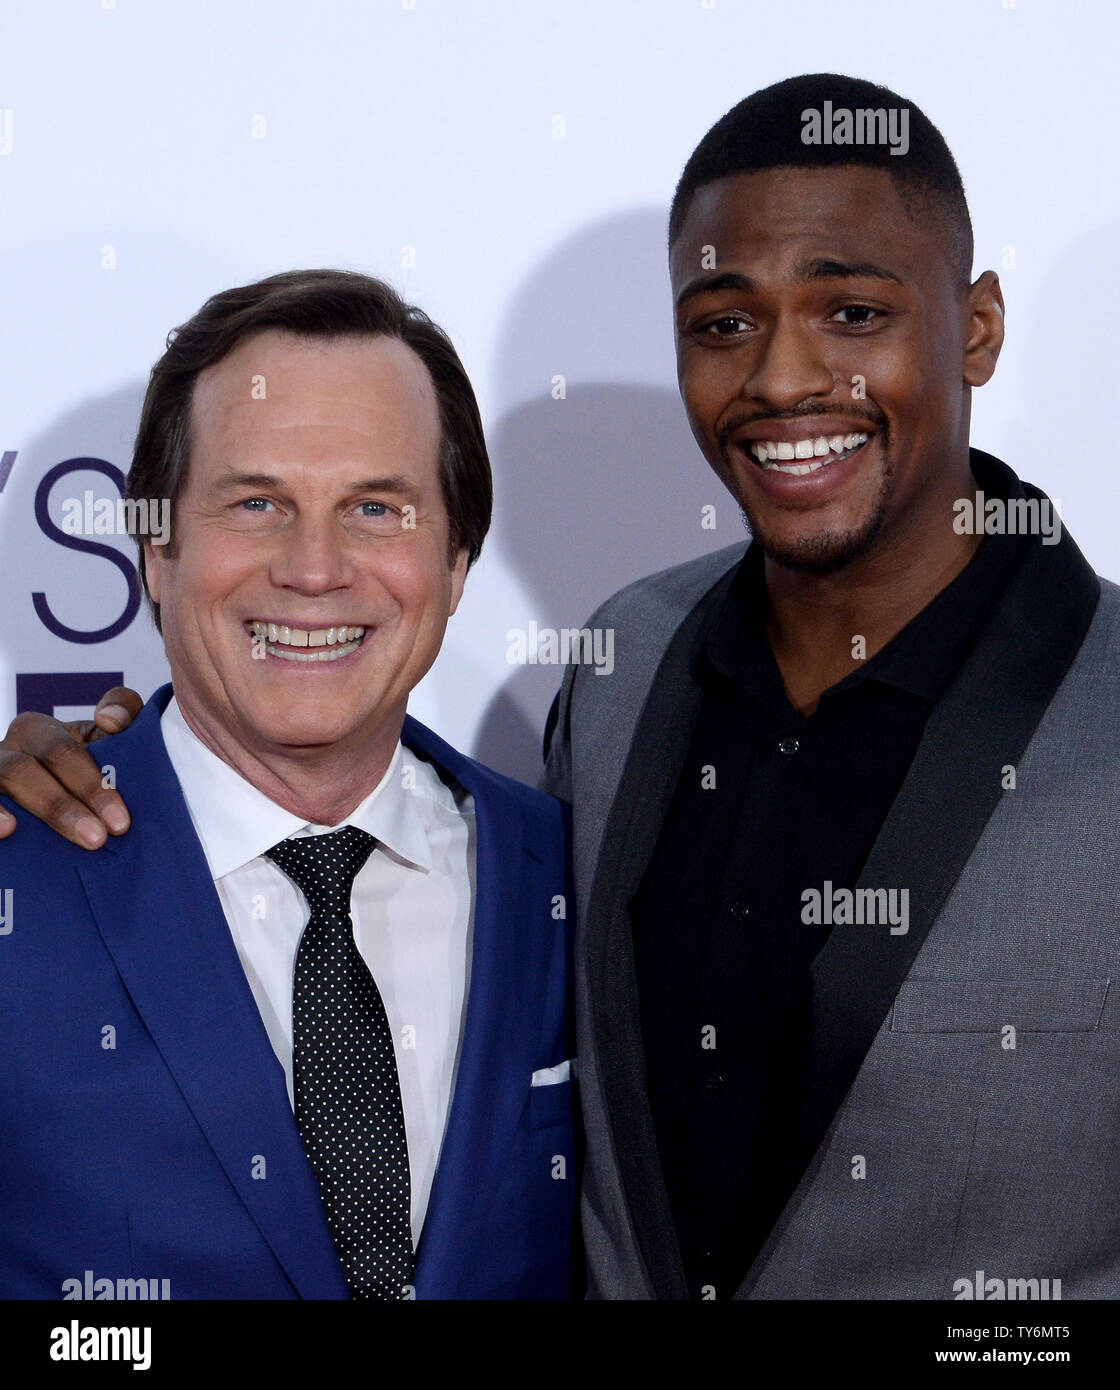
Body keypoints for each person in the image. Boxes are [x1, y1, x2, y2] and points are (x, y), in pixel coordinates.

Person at [6, 73, 1117, 1302]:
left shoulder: (1096, 703)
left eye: (852, 311)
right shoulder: (625, 674)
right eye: (724, 323)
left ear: (974, 328)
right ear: (152, 550)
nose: (787, 377)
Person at [0, 269, 575, 1300]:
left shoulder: (570, 877)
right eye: (256, 502)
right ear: (155, 552)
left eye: (375, 507)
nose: (314, 569)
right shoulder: (17, 871)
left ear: (454, 563)